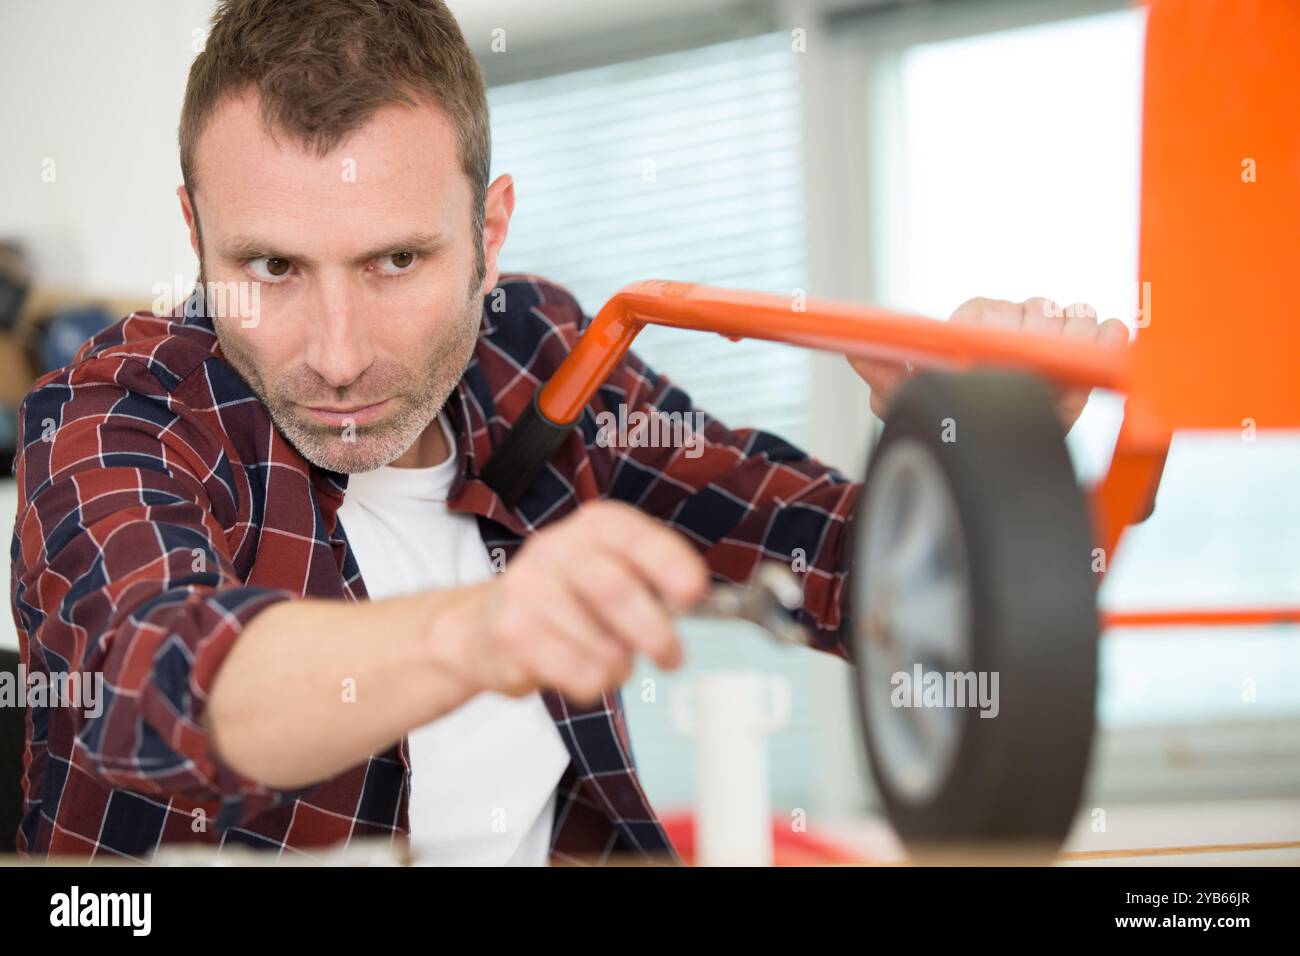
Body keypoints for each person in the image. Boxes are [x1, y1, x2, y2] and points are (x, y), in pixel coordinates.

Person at [8, 0, 1126, 865]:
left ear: (489, 231)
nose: (338, 353)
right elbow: (159, 681)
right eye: (271, 267)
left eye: (397, 261)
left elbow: (839, 569)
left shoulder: (539, 353)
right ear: (195, 230)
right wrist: (481, 632)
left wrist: (981, 451)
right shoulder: (111, 417)